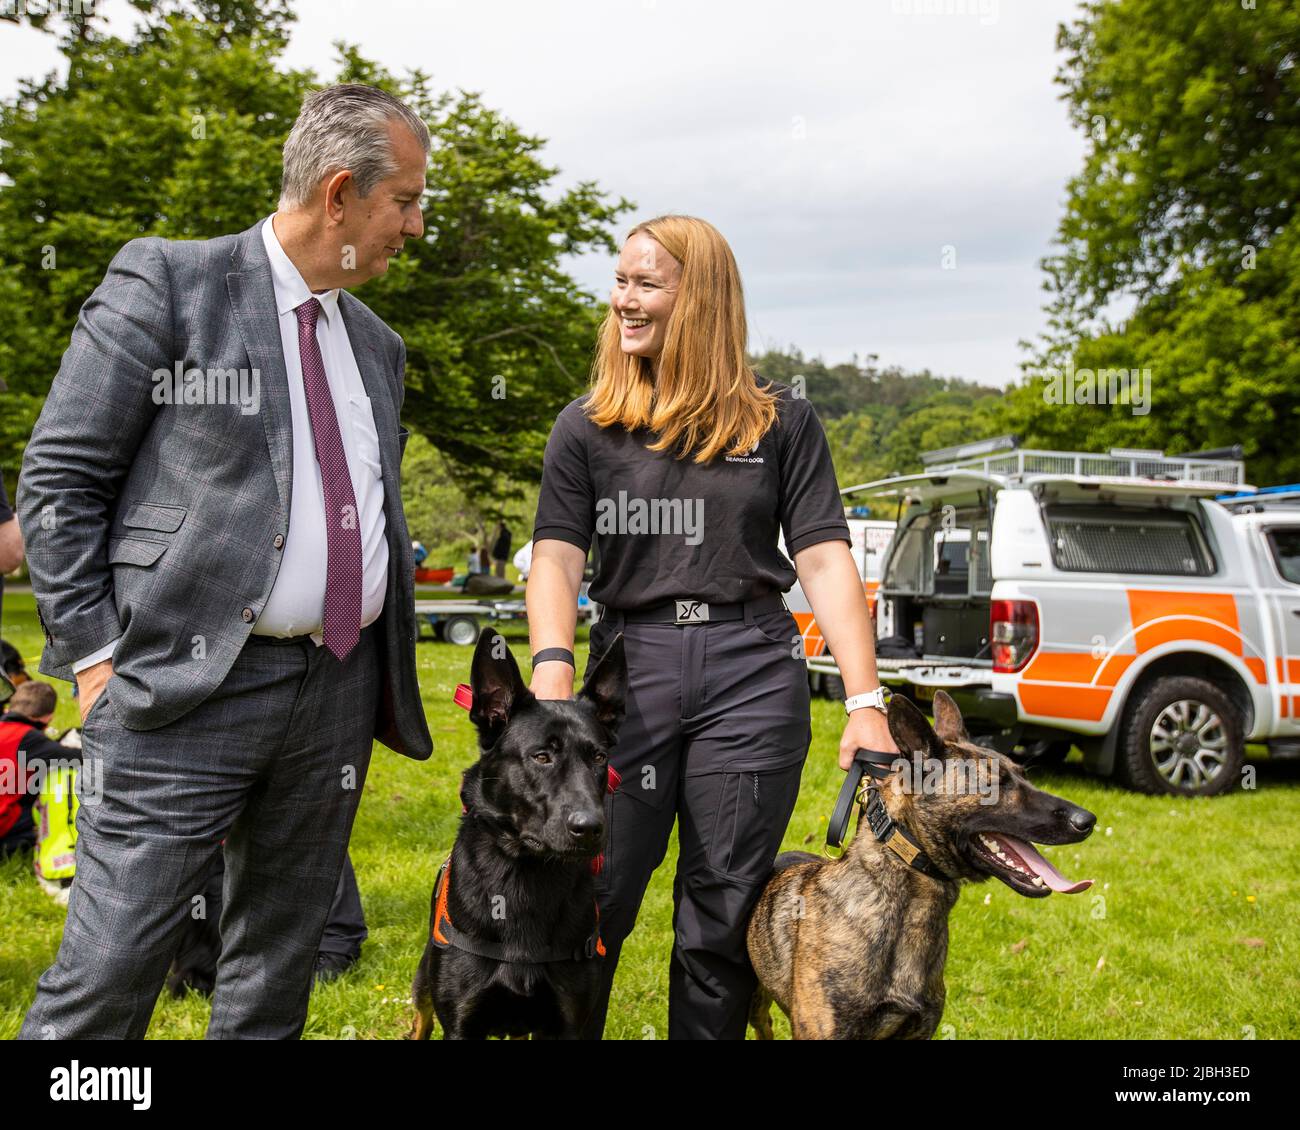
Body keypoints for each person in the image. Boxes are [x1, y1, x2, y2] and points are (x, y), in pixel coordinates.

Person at [16, 84, 434, 1039]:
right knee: (113, 969)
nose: (415, 225)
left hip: (332, 687)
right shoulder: (170, 282)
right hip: (181, 687)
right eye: (404, 201)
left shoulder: (377, 345)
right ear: (340, 195)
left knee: (277, 964)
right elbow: (60, 478)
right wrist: (91, 657)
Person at [526, 214, 899, 1040]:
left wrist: (866, 700)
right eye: (620, 280)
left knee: (721, 910)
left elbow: (826, 559)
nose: (623, 300)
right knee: (594, 892)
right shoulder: (586, 423)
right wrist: (552, 664)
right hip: (630, 672)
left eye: (645, 284)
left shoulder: (780, 422)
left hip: (751, 669)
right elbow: (555, 553)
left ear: (700, 298)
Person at [0, 681, 77, 860]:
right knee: (54, 798)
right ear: (46, 718)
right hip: (4, 824)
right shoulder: (27, 737)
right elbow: (77, 758)